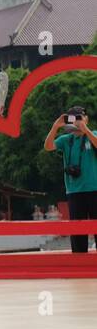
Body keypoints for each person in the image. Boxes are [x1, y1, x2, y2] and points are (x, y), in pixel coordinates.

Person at [45, 106, 97, 254]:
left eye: (80, 118)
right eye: (74, 119)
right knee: (77, 231)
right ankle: (79, 261)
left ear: (87, 119)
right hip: (74, 191)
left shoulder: (93, 135)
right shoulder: (66, 140)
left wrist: (85, 130)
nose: (78, 122)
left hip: (95, 189)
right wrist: (55, 126)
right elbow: (48, 147)